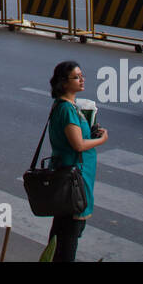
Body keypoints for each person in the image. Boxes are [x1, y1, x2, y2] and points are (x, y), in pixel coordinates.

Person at [45, 61, 106, 262]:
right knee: (68, 236)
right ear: (64, 83)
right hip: (72, 182)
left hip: (71, 178)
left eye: (82, 75)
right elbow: (78, 144)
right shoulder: (67, 109)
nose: (82, 79)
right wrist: (101, 140)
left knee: (62, 233)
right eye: (76, 77)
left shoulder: (69, 106)